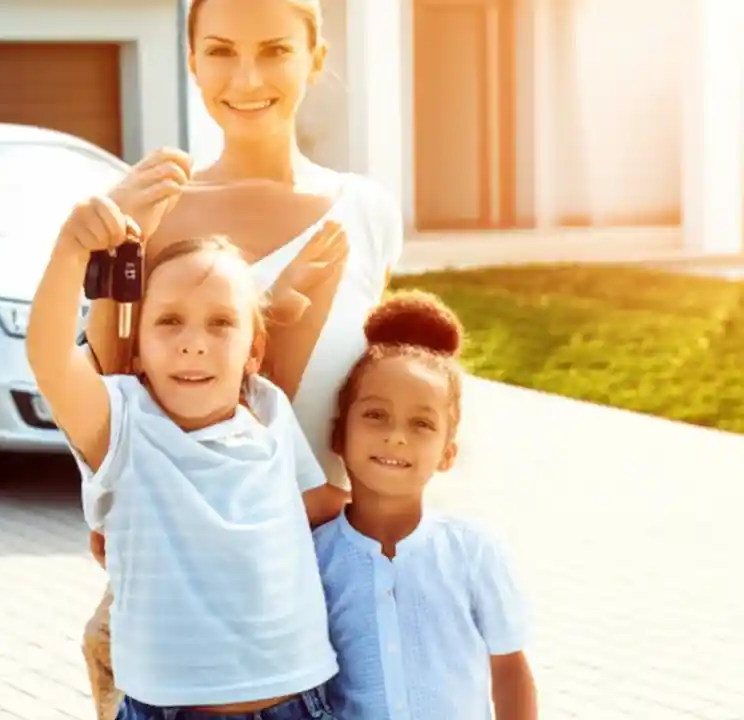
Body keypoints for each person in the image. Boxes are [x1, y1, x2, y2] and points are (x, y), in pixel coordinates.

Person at [76, 0, 406, 716]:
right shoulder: (155, 213)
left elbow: (367, 395)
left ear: (315, 59)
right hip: (187, 606)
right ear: (191, 60)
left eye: (276, 51)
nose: (247, 76)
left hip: (336, 581)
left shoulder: (367, 211)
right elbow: (107, 393)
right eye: (221, 50)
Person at [27, 202, 342, 717]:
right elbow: (48, 359)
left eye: (221, 324)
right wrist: (69, 250)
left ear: (253, 350)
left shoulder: (269, 409)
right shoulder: (121, 422)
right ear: (138, 348)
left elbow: (317, 505)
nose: (193, 344)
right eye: (169, 322)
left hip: (297, 701)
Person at [314, 291, 538, 719]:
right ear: (338, 436)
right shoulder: (316, 557)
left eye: (421, 424)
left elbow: (509, 667)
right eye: (376, 415)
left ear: (447, 453)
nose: (396, 437)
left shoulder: (473, 551)